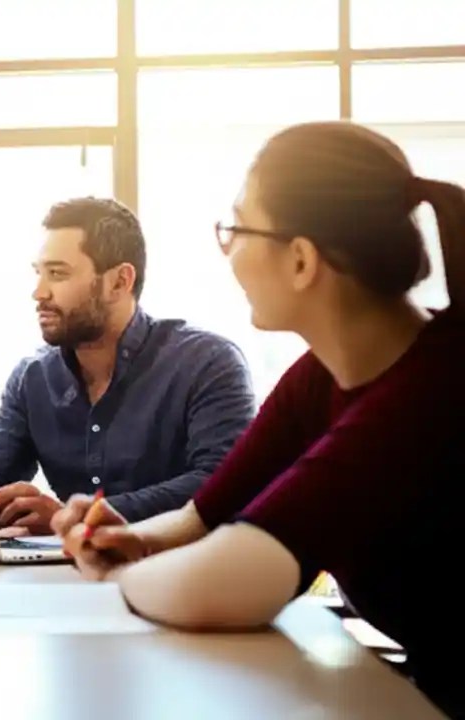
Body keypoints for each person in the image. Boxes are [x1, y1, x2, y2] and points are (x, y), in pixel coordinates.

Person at [52, 121, 465, 718]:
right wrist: (130, 540)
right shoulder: (323, 376)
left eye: (237, 229)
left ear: (300, 260)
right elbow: (204, 517)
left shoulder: (430, 392)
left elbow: (220, 586)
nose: (228, 252)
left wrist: (111, 580)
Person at [0, 197, 256, 535]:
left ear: (120, 281)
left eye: (57, 274)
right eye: (39, 273)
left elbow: (222, 484)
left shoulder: (208, 363)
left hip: (184, 564)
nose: (39, 292)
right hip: (70, 567)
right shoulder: (32, 378)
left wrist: (79, 518)